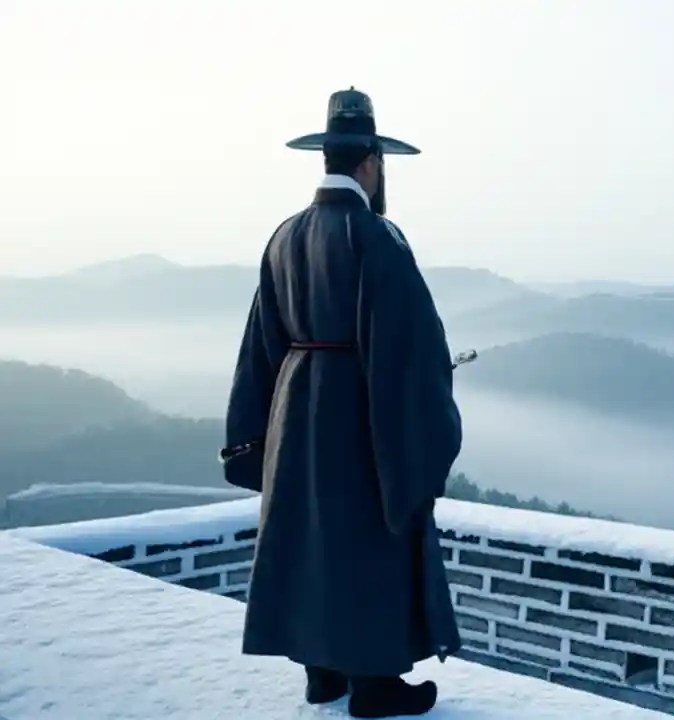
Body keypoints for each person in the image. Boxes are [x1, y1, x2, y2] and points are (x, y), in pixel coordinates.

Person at [221, 87, 462, 718]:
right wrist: (421, 433)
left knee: (311, 536)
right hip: (359, 413)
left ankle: (323, 673)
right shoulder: (377, 237)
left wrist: (256, 432)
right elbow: (410, 349)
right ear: (372, 164)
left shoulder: (285, 235)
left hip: (294, 408)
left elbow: (260, 344)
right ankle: (377, 685)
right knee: (369, 537)